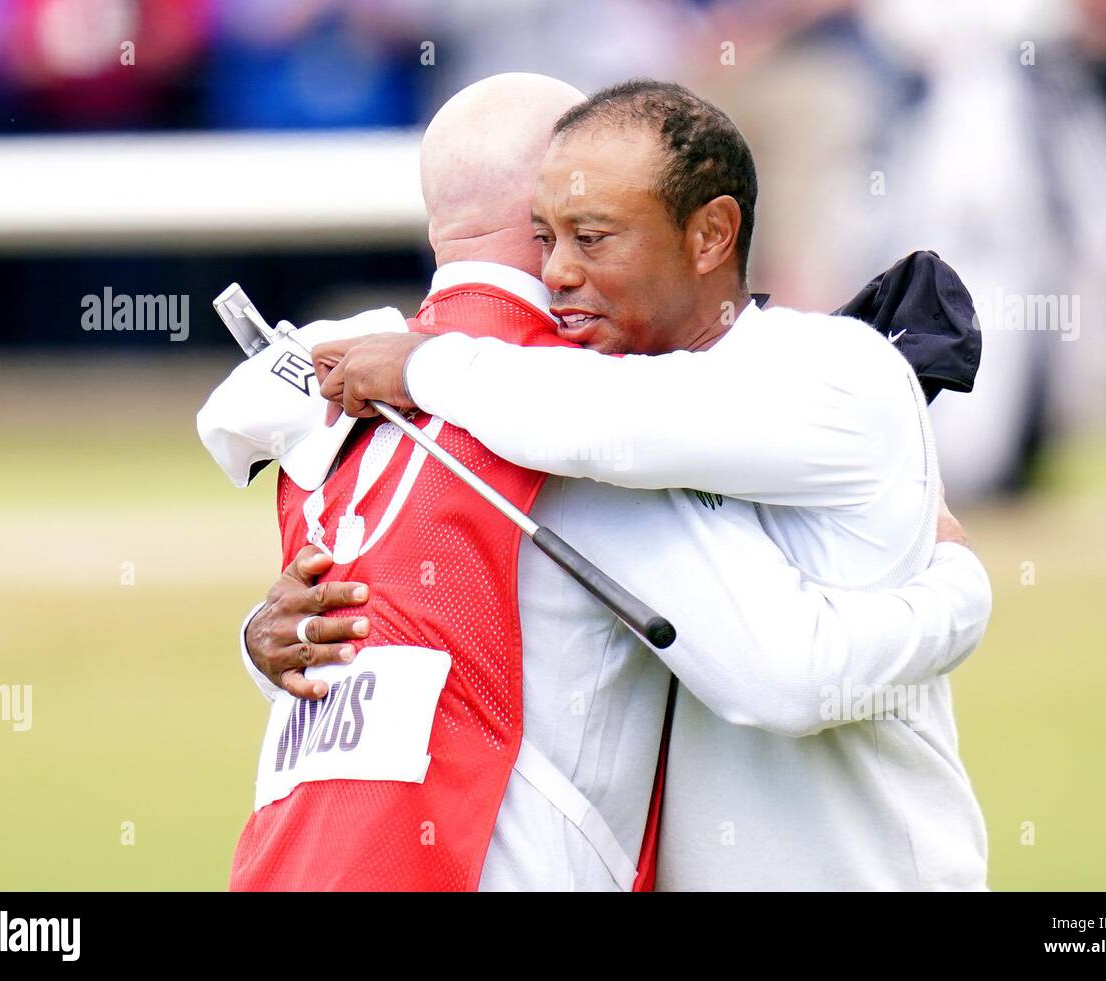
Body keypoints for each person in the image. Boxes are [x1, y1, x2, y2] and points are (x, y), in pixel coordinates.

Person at [305, 79, 992, 889]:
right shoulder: (571, 410)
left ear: (710, 235)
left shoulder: (833, 370)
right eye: (543, 236)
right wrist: (279, 629)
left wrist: (425, 362)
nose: (554, 272)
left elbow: (788, 681)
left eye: (592, 237)